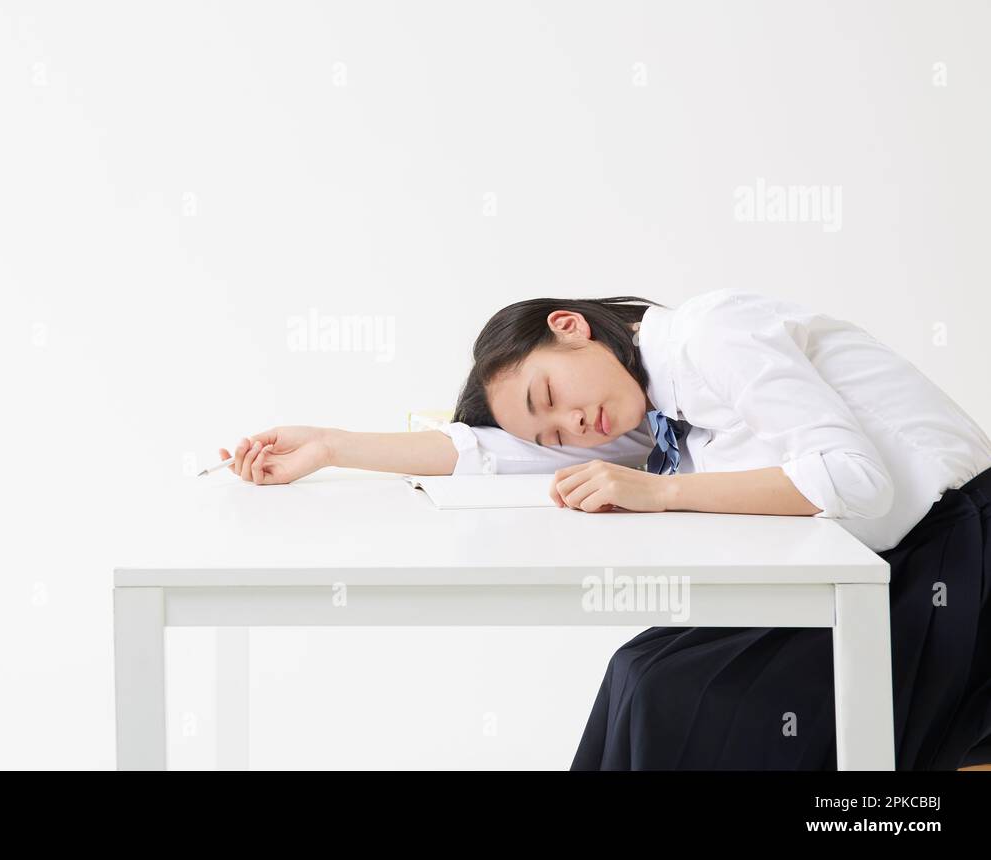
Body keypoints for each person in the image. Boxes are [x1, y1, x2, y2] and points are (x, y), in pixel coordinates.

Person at [218, 288, 991, 770]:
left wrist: (660, 494)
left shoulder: (712, 336)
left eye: (551, 392)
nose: (571, 426)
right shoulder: (646, 406)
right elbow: (488, 452)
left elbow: (852, 480)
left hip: (954, 556)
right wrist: (332, 445)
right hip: (861, 567)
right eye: (554, 433)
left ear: (572, 326)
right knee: (641, 668)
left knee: (677, 691)